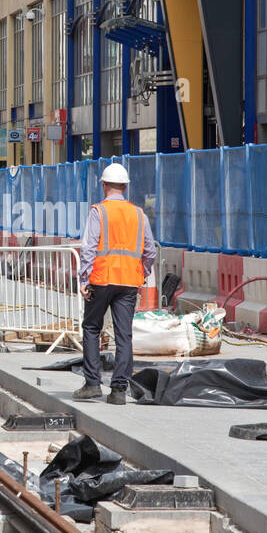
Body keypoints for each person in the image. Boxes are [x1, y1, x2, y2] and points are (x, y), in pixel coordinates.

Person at [74, 163, 156, 405]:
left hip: (101, 279)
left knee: (91, 328)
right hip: (129, 282)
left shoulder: (99, 211)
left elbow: (89, 247)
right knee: (124, 335)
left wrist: (83, 278)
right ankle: (119, 391)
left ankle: (92, 384)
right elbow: (149, 250)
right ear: (125, 186)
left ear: (104, 185)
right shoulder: (139, 214)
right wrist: (142, 273)